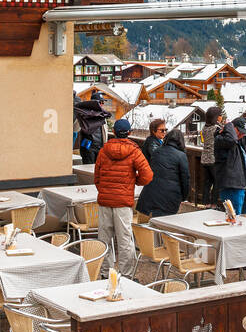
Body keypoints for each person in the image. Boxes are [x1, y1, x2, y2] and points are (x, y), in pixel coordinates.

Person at [94, 118, 153, 277]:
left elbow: (97, 178)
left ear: (114, 132)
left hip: (105, 201)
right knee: (125, 239)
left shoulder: (103, 151)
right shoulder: (134, 152)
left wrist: (105, 190)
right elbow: (147, 176)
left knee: (104, 239)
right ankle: (126, 274)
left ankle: (105, 272)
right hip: (123, 203)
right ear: (129, 133)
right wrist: (133, 182)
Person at [137, 128, 191, 217]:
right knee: (165, 224)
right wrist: (184, 197)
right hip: (170, 197)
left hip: (150, 193)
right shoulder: (181, 156)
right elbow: (185, 179)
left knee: (152, 224)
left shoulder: (157, 151)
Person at [213, 113, 246, 214]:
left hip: (240, 185)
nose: (241, 134)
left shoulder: (240, 141)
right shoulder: (221, 140)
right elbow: (231, 140)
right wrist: (229, 126)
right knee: (232, 216)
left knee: (235, 216)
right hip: (230, 185)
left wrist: (238, 132)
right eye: (239, 131)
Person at [74, 92, 112, 164]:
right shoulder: (84, 114)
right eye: (100, 102)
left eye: (103, 102)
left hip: (100, 147)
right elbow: (76, 128)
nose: (102, 104)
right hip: (88, 148)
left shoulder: (102, 115)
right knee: (88, 169)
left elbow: (104, 132)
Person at [198, 105, 223, 208]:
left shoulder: (205, 128)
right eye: (220, 115)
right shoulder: (217, 128)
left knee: (207, 182)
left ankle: (205, 203)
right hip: (214, 158)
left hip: (204, 158)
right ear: (217, 117)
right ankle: (214, 204)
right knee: (217, 182)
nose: (221, 117)